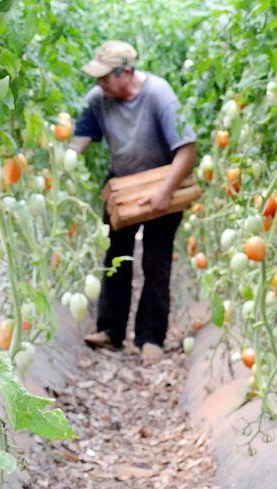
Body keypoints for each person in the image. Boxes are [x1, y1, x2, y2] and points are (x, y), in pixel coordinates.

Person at [70, 40, 197, 365]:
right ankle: (110, 331)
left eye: (105, 77)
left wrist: (164, 193)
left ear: (126, 72)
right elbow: (77, 141)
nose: (99, 83)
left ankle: (150, 339)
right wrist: (62, 159)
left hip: (162, 186)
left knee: (155, 262)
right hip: (122, 189)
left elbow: (187, 149)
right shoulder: (99, 100)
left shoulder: (159, 94)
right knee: (116, 256)